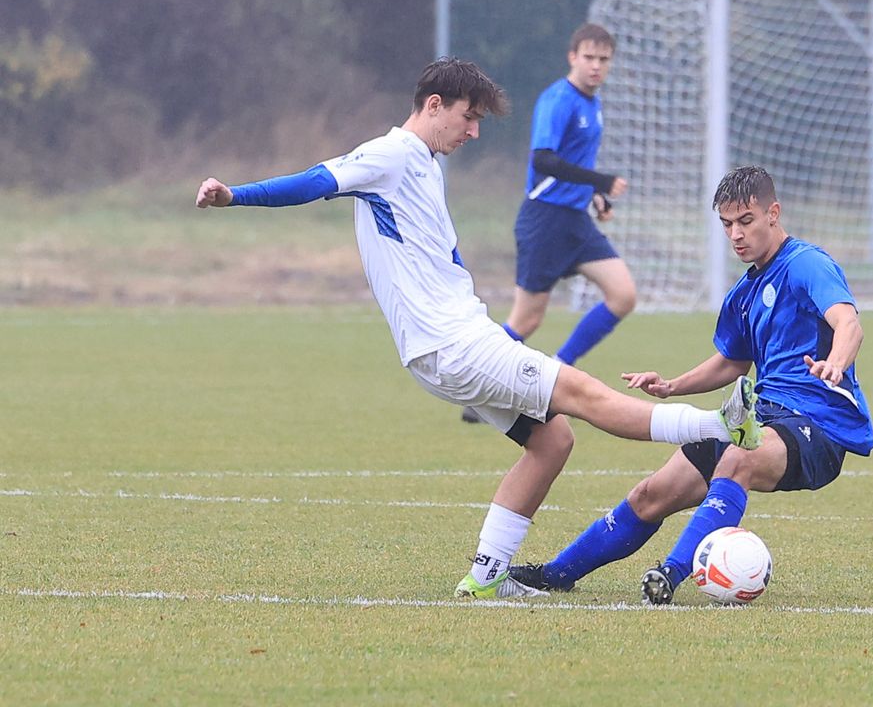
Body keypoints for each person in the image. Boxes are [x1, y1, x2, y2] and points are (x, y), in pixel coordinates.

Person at [194, 57, 762, 600]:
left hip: (447, 344)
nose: (473, 132)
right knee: (582, 393)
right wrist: (235, 196)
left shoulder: (423, 166)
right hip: (452, 343)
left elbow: (436, 249)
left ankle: (487, 575)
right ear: (435, 104)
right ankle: (720, 424)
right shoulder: (389, 154)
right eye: (468, 117)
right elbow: (316, 180)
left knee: (552, 439)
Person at [509, 165, 873, 604]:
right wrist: (671, 386)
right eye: (727, 225)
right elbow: (732, 362)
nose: (736, 235)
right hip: (764, 414)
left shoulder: (807, 264)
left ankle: (671, 572)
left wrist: (836, 363)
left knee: (739, 457)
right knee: (652, 494)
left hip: (819, 423)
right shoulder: (743, 293)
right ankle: (555, 575)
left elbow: (847, 322)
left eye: (746, 221)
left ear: (773, 213)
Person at [462, 24, 631, 423]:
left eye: (603, 60)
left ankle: (559, 370)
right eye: (588, 58)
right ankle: (475, 391)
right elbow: (544, 161)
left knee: (622, 294)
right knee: (527, 319)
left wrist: (596, 197)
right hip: (546, 220)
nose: (595, 66)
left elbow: (573, 166)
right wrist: (601, 181)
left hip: (575, 220)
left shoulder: (593, 103)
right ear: (572, 57)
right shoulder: (559, 99)